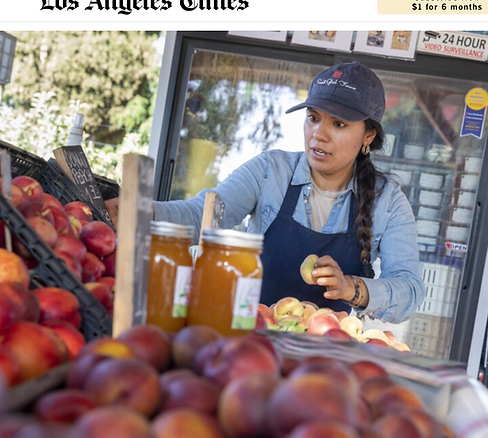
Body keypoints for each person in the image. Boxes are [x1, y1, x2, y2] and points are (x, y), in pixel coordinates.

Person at [106, 61, 425, 324]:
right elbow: (203, 213)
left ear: (368, 135)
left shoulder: (388, 202)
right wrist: (145, 212)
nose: (319, 134)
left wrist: (350, 288)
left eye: (339, 124)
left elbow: (409, 291)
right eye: (313, 118)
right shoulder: (270, 171)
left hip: (321, 355)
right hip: (245, 335)